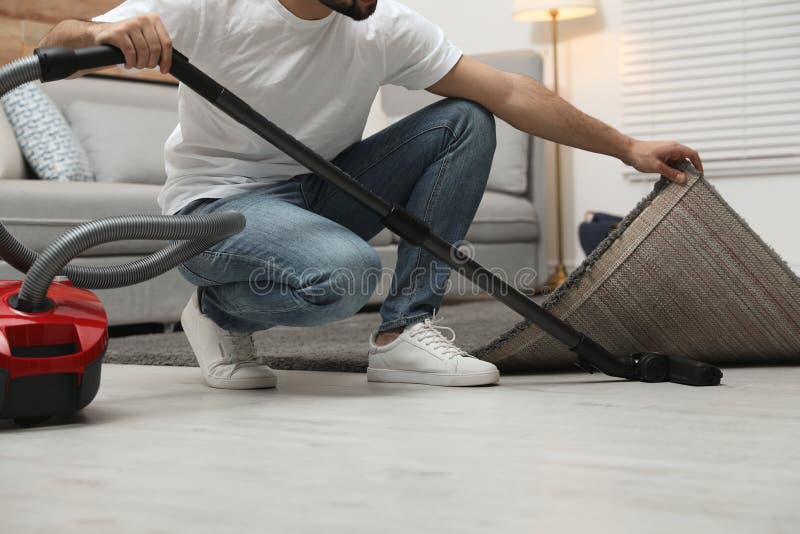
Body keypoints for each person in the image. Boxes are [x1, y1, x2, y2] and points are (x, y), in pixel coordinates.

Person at [40, 0, 703, 390]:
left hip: (316, 191)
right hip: (217, 210)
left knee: (465, 119)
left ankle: (404, 334)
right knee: (347, 274)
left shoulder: (380, 24)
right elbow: (61, 38)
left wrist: (625, 146)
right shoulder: (210, 6)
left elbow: (507, 91)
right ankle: (218, 309)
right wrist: (102, 35)